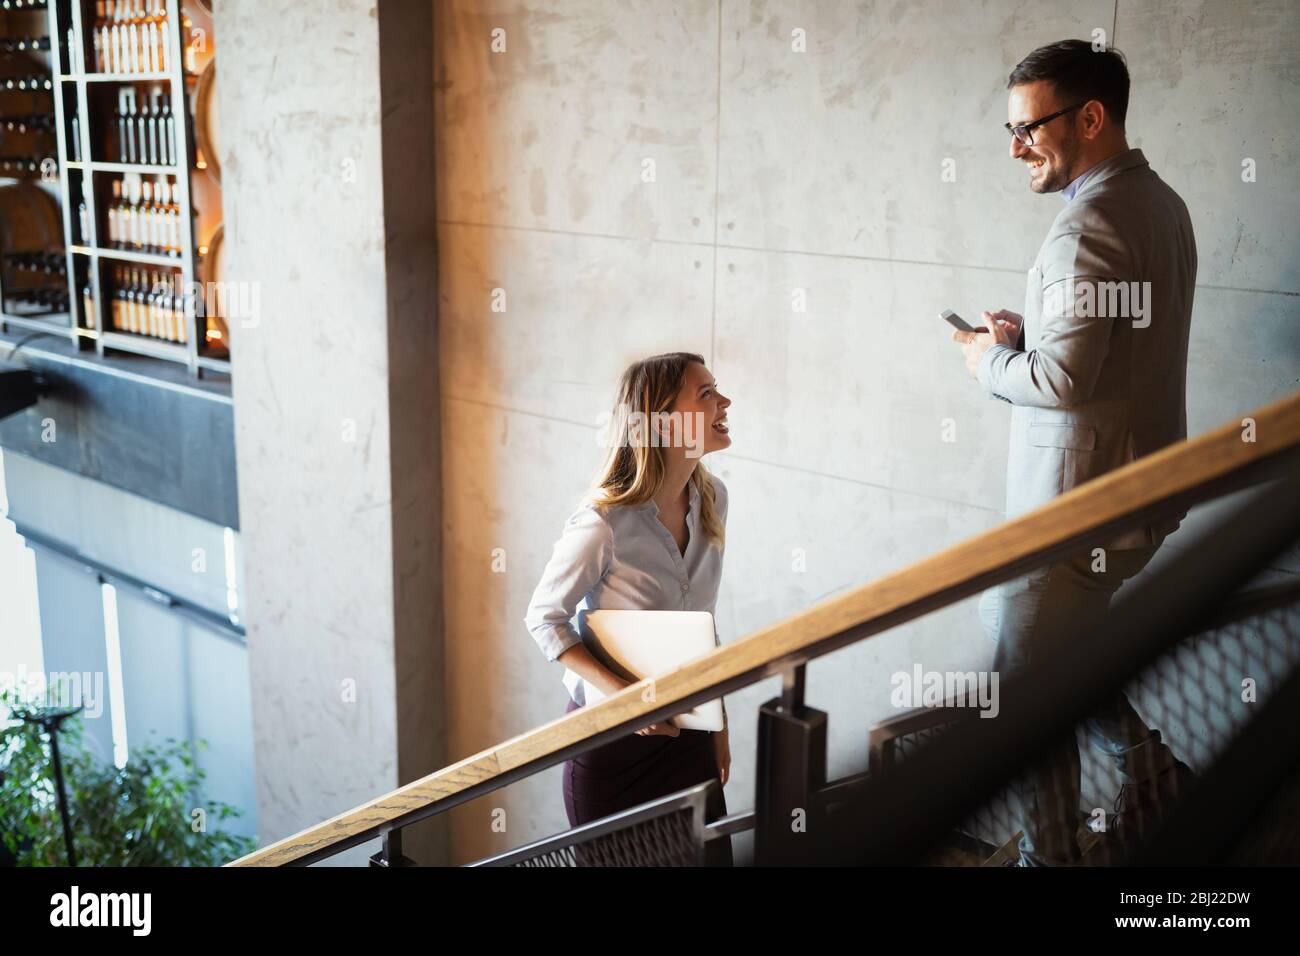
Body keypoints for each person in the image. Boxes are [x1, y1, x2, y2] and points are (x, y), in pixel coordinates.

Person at [952, 40, 1197, 866]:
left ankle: (1047, 859)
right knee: (1064, 664)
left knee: (1021, 702)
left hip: (1071, 514)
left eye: (1027, 128)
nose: (1015, 147)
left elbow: (1059, 380)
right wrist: (1032, 339)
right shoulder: (1158, 202)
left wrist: (987, 360)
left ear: (1090, 118)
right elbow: (1110, 352)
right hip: (1138, 494)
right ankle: (1151, 767)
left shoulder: (1086, 223)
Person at [524, 351, 734, 866]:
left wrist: (719, 725)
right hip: (610, 747)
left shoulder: (713, 499)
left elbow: (702, 623)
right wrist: (626, 698)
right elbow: (543, 619)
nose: (724, 401)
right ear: (661, 421)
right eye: (705, 393)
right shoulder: (604, 522)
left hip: (688, 736)